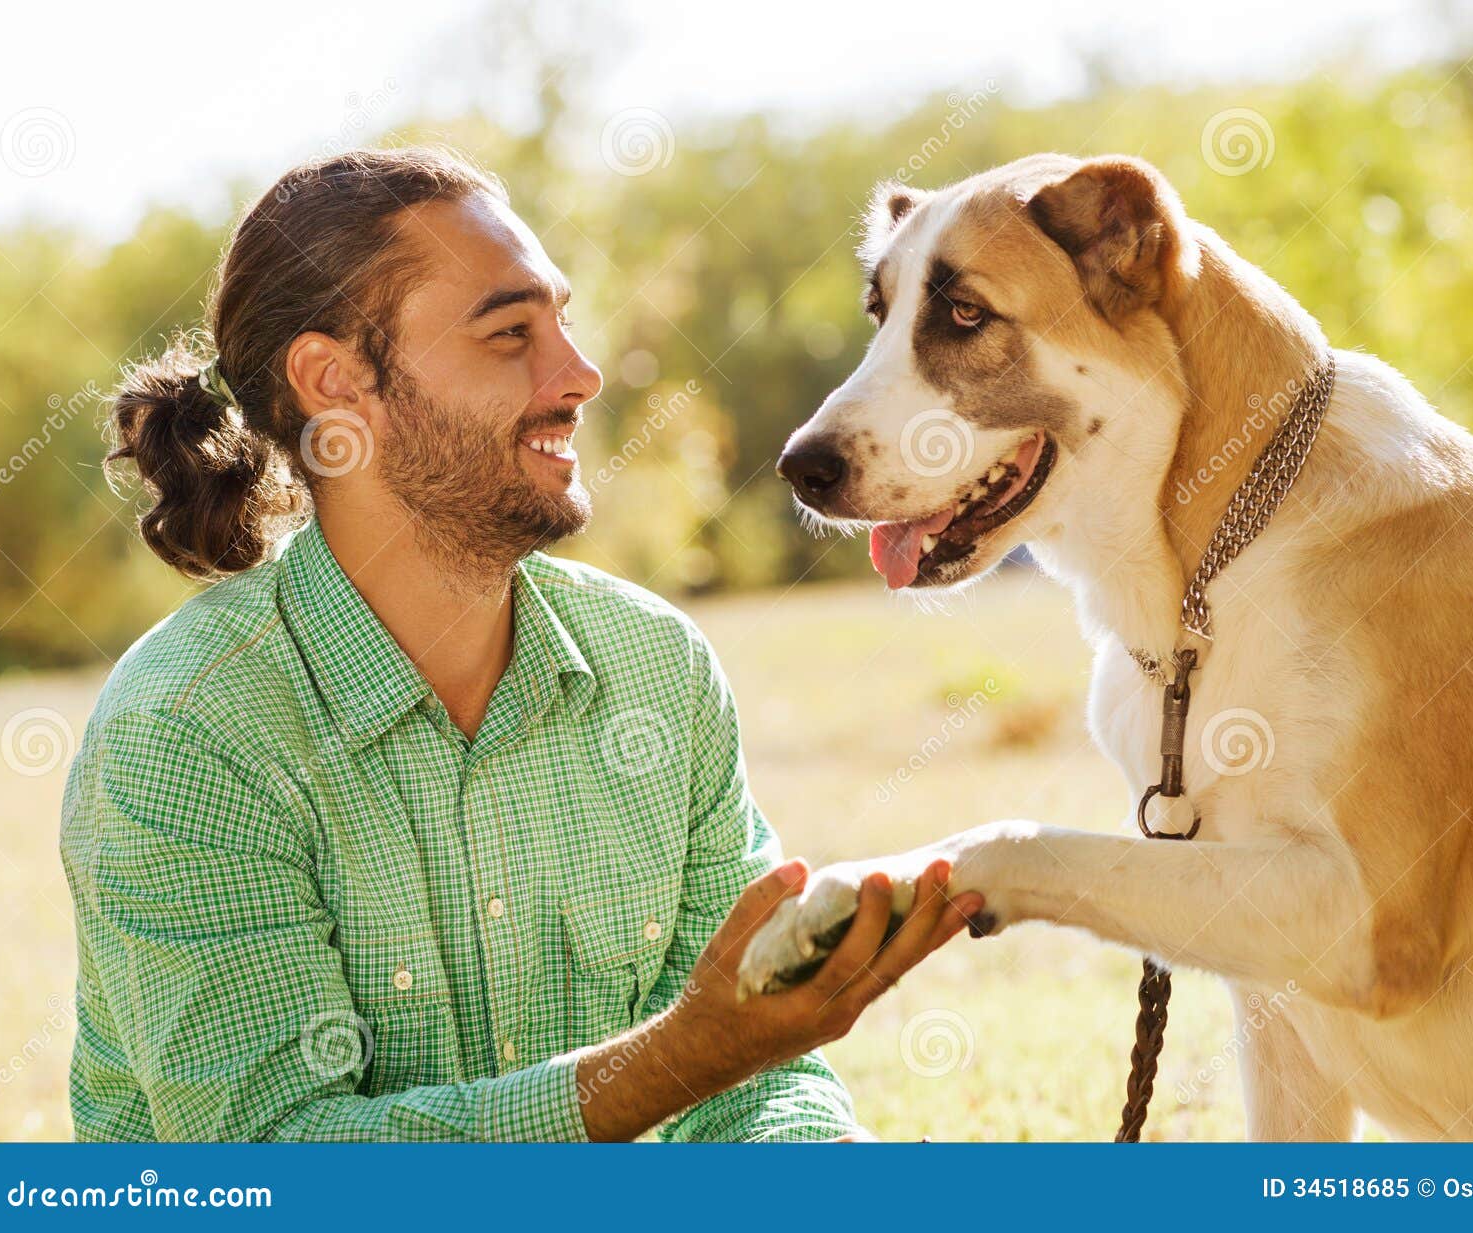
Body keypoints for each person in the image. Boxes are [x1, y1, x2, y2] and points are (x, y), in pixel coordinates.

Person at [61, 146, 982, 1142]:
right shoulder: (190, 732)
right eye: (509, 334)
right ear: (336, 384)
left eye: (562, 320)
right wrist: (671, 1061)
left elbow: (757, 1083)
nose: (580, 374)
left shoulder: (653, 670)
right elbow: (276, 1163)